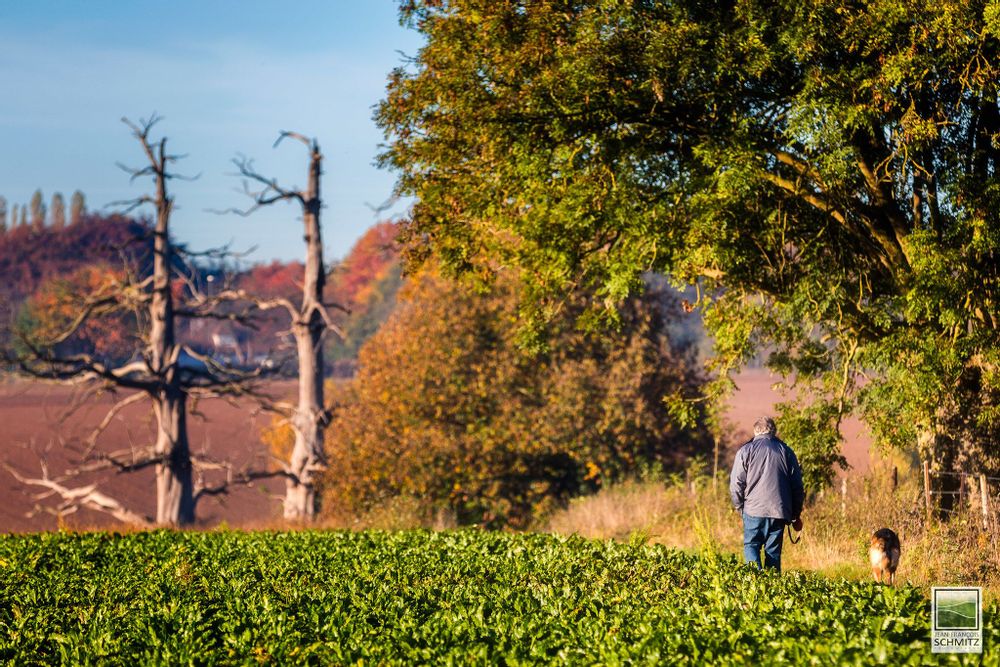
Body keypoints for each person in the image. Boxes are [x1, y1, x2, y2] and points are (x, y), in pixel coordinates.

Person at [729, 416, 804, 571]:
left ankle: (755, 585)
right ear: (774, 432)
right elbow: (797, 486)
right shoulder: (787, 452)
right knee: (773, 552)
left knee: (751, 545)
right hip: (779, 512)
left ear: (755, 431)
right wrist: (795, 514)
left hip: (753, 510)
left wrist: (740, 507)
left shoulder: (745, 451)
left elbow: (736, 484)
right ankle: (772, 590)